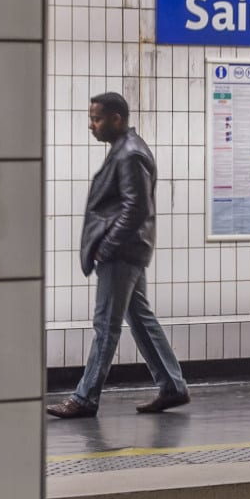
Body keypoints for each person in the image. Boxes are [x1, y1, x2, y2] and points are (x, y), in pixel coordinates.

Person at [46, 92, 191, 418]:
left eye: (96, 119)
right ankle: (172, 385)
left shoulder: (129, 155)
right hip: (130, 250)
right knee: (140, 318)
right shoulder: (125, 150)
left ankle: (84, 398)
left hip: (123, 253)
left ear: (116, 119)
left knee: (105, 325)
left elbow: (136, 209)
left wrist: (107, 247)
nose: (91, 125)